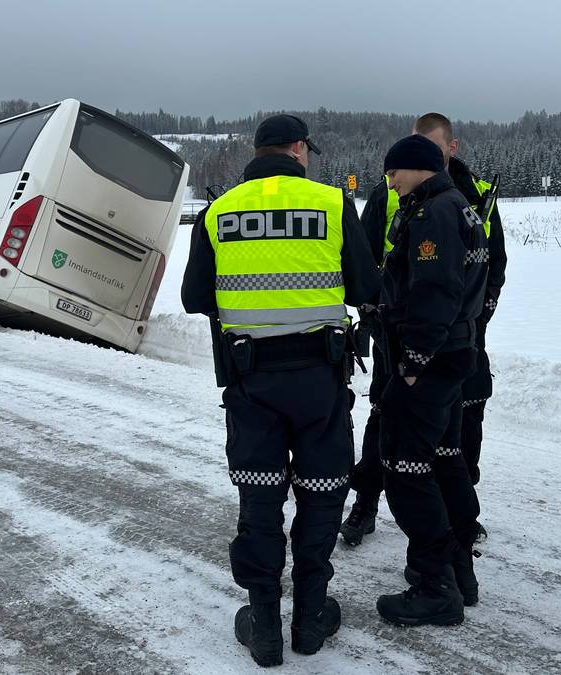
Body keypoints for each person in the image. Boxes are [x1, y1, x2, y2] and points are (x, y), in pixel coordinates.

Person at [182, 114, 380, 666]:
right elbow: (367, 286)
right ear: (298, 149)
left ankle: (265, 626)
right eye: (307, 150)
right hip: (320, 380)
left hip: (251, 382)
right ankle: (311, 620)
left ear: (257, 151)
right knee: (321, 494)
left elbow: (195, 297)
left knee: (260, 499)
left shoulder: (220, 211)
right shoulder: (332, 203)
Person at [340, 113, 505, 544]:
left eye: (433, 146)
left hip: (452, 339)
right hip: (404, 337)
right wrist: (379, 321)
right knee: (386, 418)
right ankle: (367, 505)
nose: (392, 180)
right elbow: (366, 262)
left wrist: (473, 320)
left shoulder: (477, 196)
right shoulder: (388, 195)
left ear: (451, 148)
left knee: (459, 430)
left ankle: (456, 526)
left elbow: (492, 267)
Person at [370, 134, 488, 626]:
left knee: (404, 467)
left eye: (394, 171)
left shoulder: (435, 213)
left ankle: (433, 584)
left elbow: (436, 292)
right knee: (444, 458)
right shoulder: (456, 205)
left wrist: (413, 362)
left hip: (432, 361)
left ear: (417, 167)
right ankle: (458, 570)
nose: (389, 180)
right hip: (454, 353)